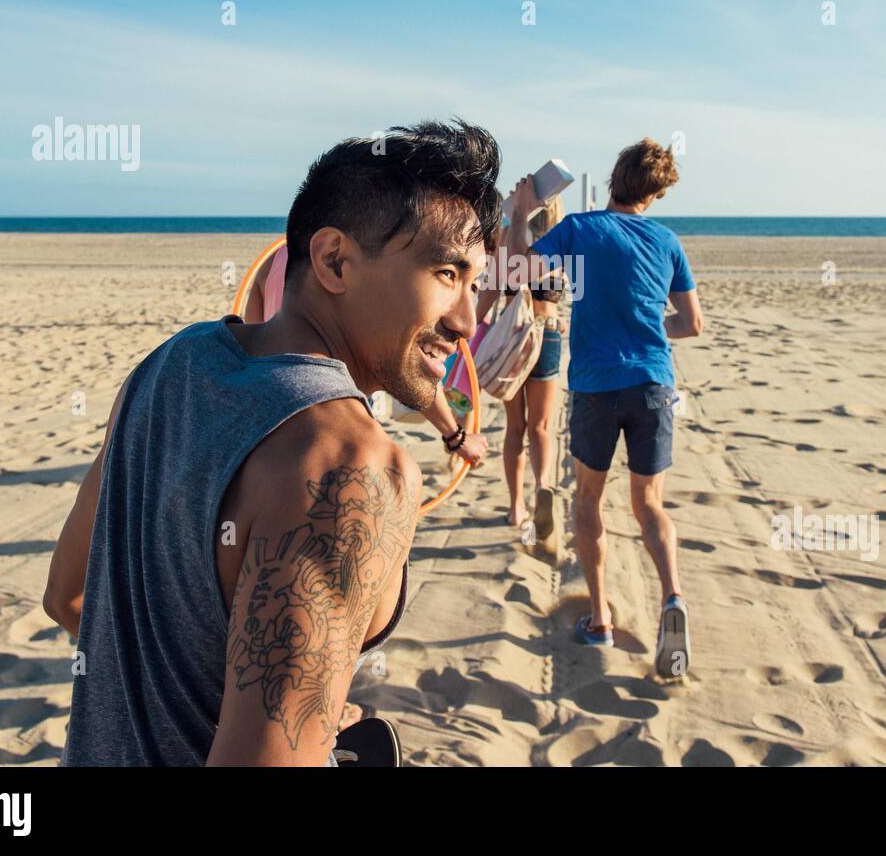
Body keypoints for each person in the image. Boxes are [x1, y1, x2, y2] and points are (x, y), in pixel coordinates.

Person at [45, 120, 501, 765]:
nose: (465, 321)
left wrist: (280, 707)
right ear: (335, 260)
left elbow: (68, 597)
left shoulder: (168, 365)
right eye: (446, 272)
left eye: (475, 281)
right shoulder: (351, 466)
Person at [505, 138, 703, 678]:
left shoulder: (583, 229)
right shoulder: (667, 241)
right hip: (653, 384)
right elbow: (692, 324)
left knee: (588, 499)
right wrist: (647, 329)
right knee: (650, 505)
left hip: (596, 385)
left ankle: (600, 620)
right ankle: (673, 597)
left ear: (616, 178)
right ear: (656, 193)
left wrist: (523, 214)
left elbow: (517, 274)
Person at [248, 244, 487, 468]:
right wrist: (456, 436)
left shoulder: (270, 262)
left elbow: (254, 349)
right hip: (340, 410)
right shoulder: (362, 264)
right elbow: (407, 365)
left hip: (275, 411)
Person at [475, 199, 567, 532]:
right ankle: (543, 486)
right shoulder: (560, 240)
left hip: (514, 336)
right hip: (549, 332)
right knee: (541, 426)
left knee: (515, 427)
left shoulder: (511, 237)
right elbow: (559, 293)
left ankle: (516, 509)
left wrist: (470, 325)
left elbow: (496, 286)